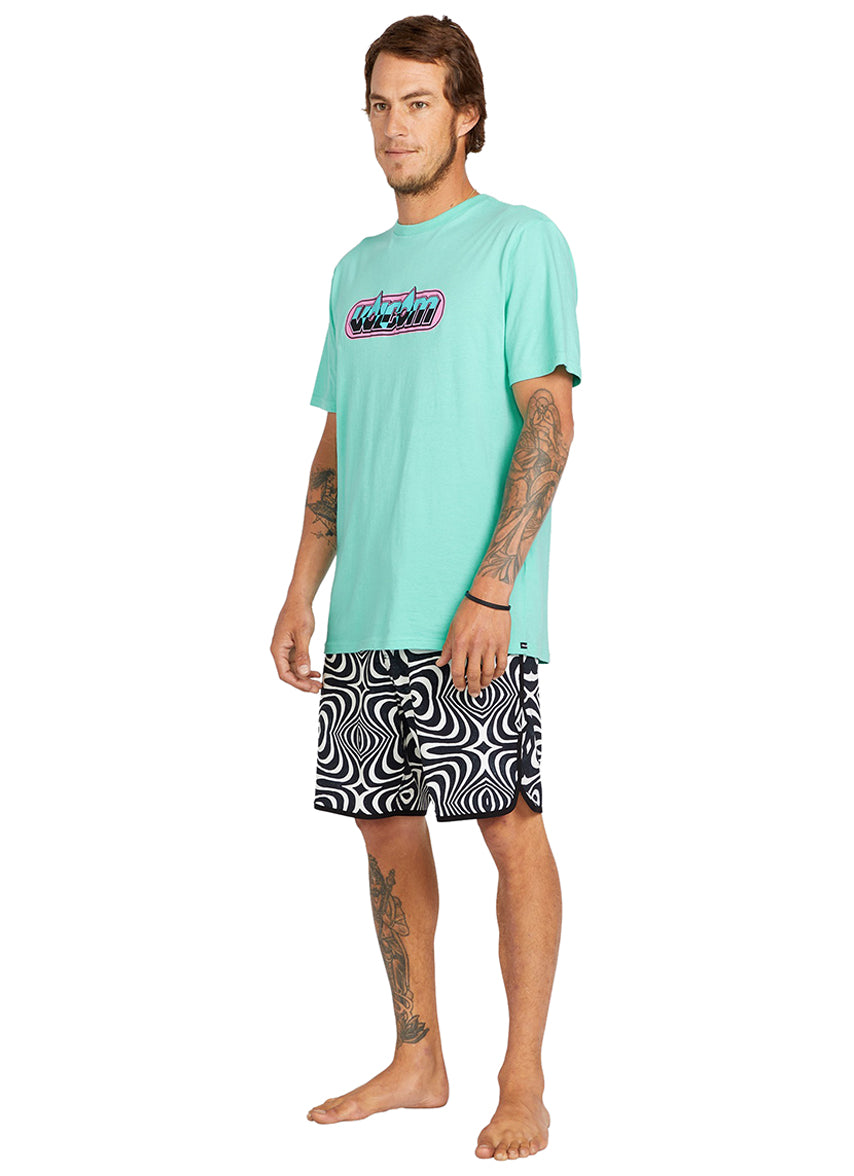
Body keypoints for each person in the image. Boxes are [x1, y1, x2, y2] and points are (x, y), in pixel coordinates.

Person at [270, 14, 582, 1163]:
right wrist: (300, 589)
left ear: (466, 115)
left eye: (416, 103)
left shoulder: (517, 241)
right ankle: (418, 1057)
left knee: (504, 822)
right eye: (378, 104)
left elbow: (548, 418)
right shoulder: (355, 272)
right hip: (367, 612)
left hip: (472, 618)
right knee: (382, 827)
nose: (393, 127)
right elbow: (338, 446)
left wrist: (493, 591)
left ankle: (521, 1079)